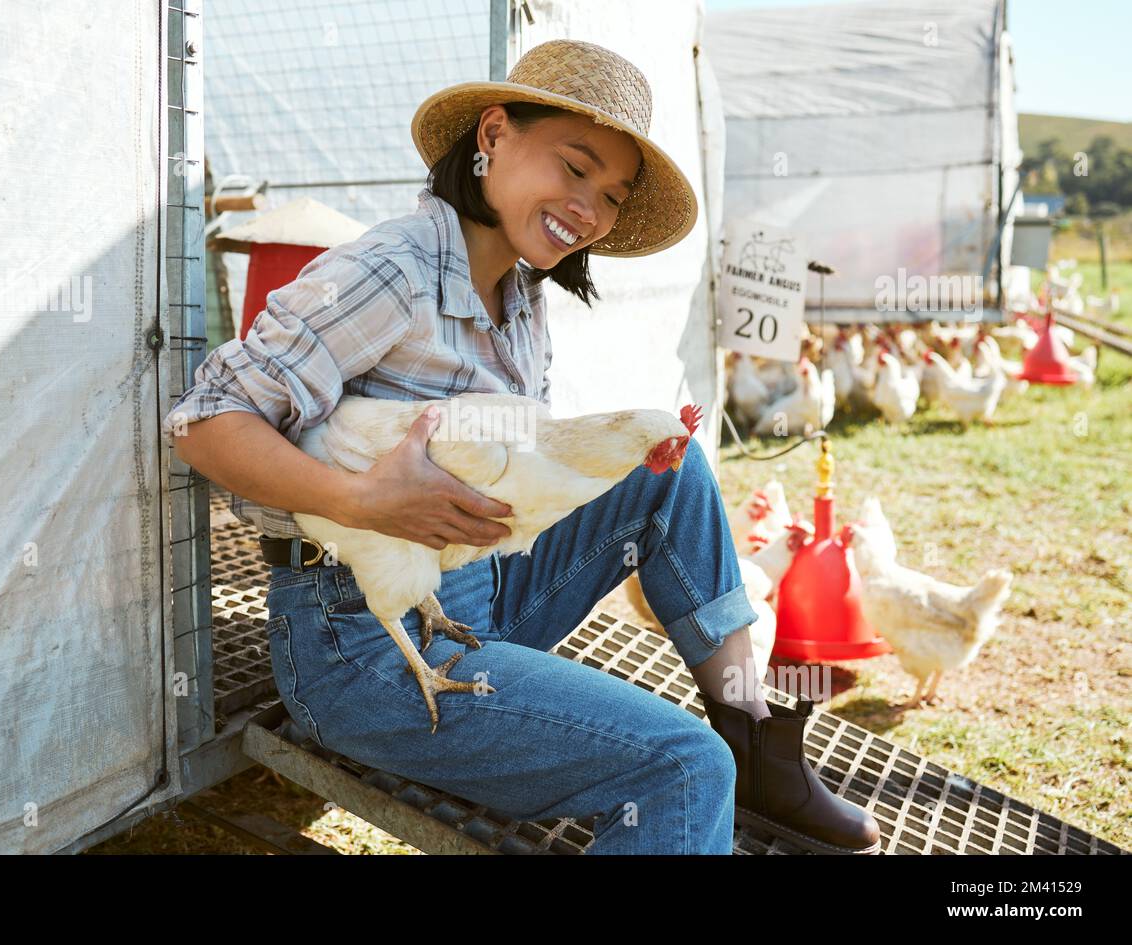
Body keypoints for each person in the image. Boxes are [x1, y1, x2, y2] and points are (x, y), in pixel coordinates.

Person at [163, 39, 880, 855]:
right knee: (683, 770)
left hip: (477, 592)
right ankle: (722, 760)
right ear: (494, 135)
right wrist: (361, 500)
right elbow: (206, 418)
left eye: (610, 195)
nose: (589, 208)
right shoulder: (392, 271)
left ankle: (754, 735)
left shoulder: (521, 298)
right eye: (575, 168)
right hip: (362, 642)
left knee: (668, 463)